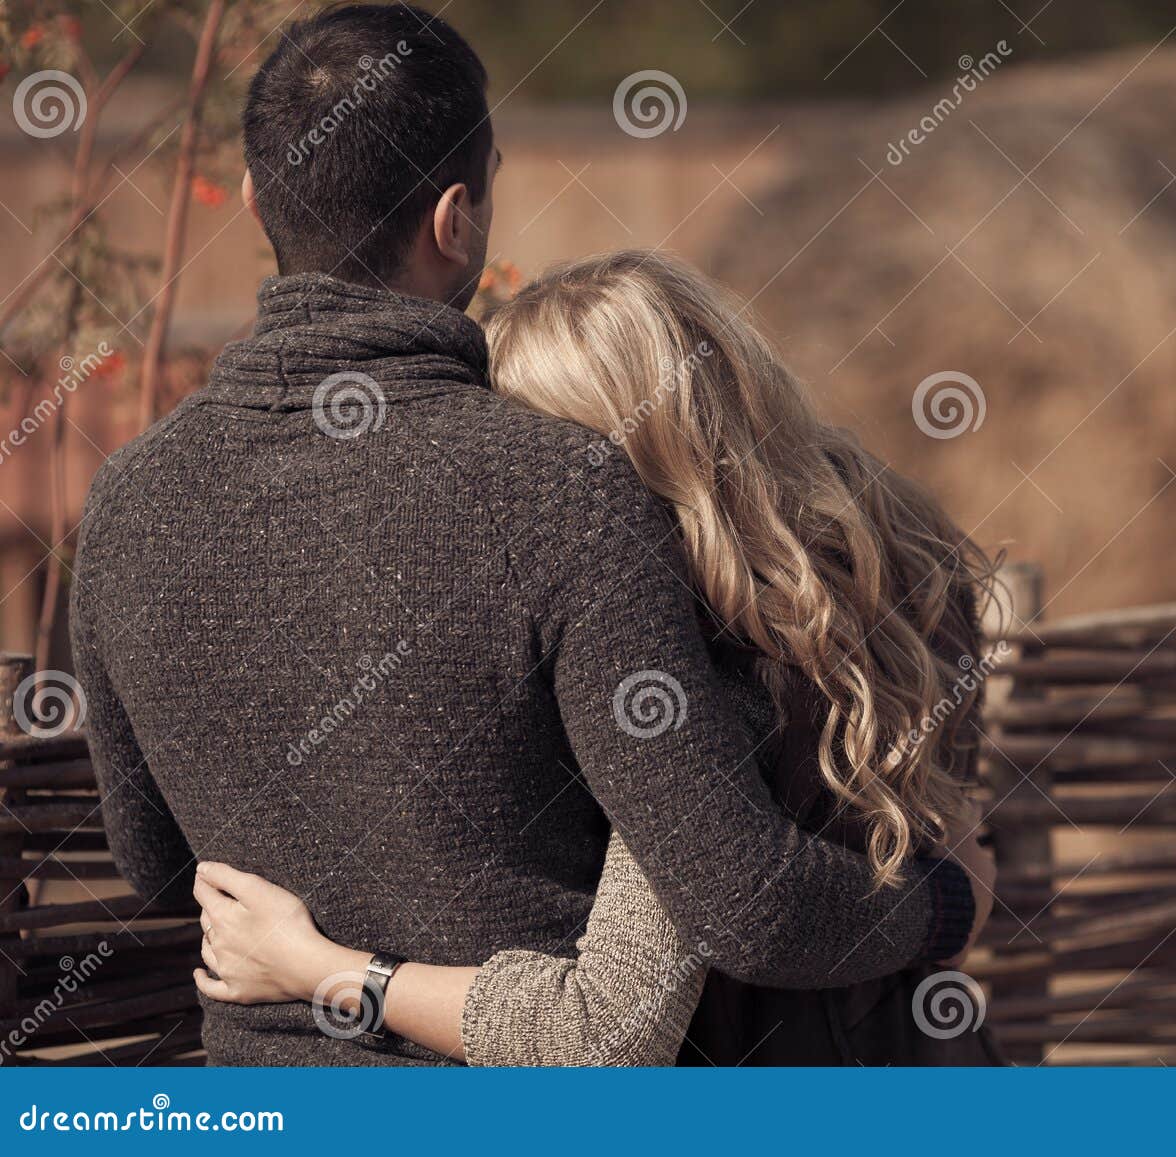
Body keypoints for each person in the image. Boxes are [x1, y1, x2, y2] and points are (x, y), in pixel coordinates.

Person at [69, 5, 986, 1067]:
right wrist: (945, 900)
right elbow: (740, 899)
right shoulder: (561, 488)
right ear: (456, 218)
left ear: (267, 201)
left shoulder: (127, 496)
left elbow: (149, 857)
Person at [191, 251, 1006, 1066]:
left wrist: (319, 968)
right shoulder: (898, 564)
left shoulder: (689, 664)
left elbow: (599, 1033)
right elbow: (963, 858)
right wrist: (944, 903)